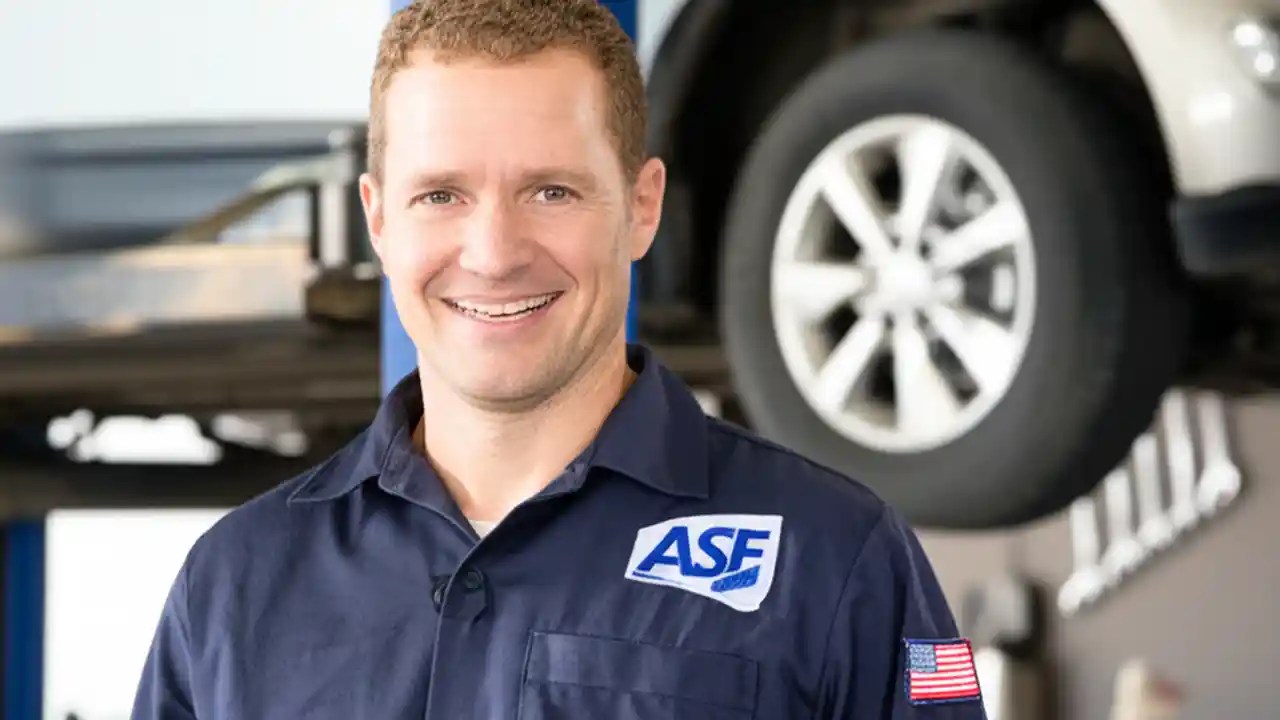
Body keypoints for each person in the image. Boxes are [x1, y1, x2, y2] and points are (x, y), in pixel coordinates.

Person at [131, 0, 987, 717]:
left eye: (551, 191)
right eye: (441, 195)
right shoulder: (237, 587)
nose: (494, 252)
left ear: (641, 206)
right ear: (378, 218)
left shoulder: (834, 556)